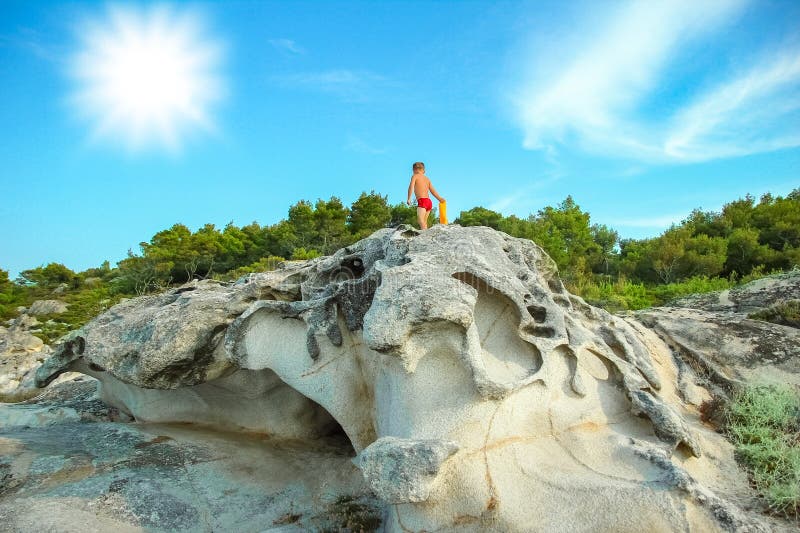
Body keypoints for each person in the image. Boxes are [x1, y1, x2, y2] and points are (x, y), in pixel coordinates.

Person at [406, 162, 445, 230]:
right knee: (424, 222)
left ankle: (424, 235)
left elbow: (411, 187)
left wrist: (409, 198)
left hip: (422, 201)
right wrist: (439, 198)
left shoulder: (415, 176)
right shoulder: (427, 179)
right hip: (429, 202)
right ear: (423, 170)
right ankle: (426, 234)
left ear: (414, 170)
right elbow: (433, 191)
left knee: (420, 221)